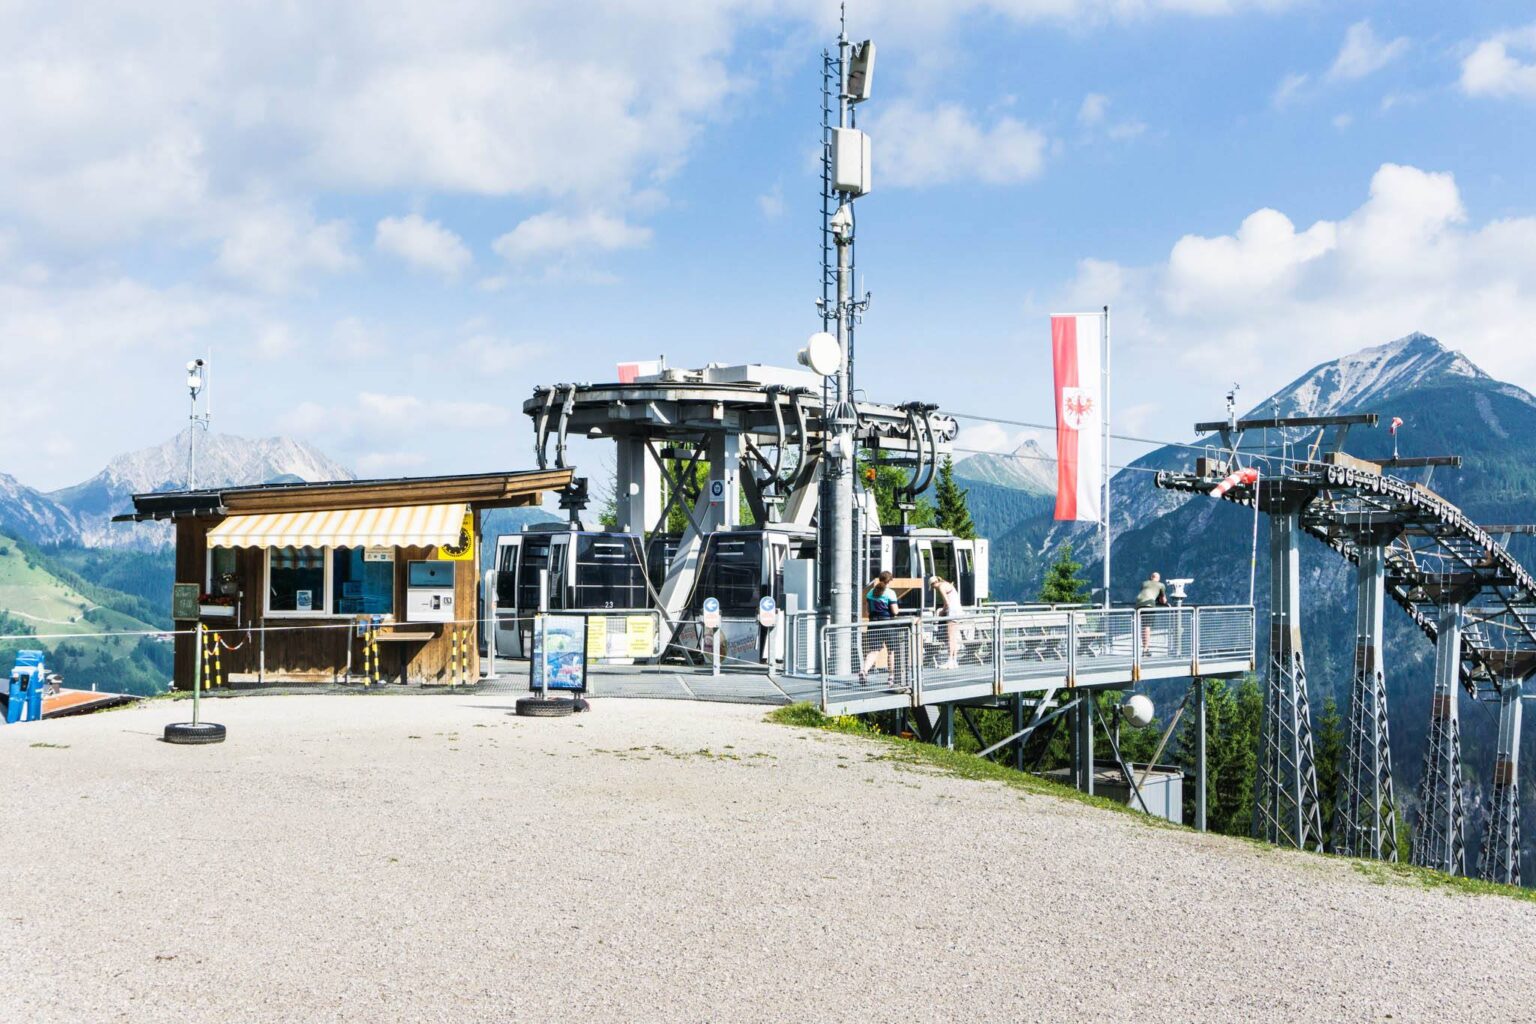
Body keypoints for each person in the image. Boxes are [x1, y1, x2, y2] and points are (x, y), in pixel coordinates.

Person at [860, 571, 904, 685]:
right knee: (891, 651)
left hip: (873, 624)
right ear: (890, 580)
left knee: (873, 651)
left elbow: (867, 611)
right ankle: (891, 677)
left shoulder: (870, 592)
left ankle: (864, 670)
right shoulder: (890, 593)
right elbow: (895, 611)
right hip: (887, 624)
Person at [929, 574, 961, 670]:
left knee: (950, 637)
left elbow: (947, 603)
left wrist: (942, 612)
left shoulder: (941, 587)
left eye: (932, 587)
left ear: (934, 583)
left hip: (952, 612)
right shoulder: (946, 584)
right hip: (958, 611)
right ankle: (954, 661)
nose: (934, 589)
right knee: (954, 637)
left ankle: (950, 661)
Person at [1136, 571, 1169, 654]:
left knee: (1143, 626)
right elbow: (1163, 600)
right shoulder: (1161, 585)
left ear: (1151, 577)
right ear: (1158, 578)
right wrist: (1163, 602)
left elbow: (1144, 593)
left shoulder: (1144, 583)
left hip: (1138, 604)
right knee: (1147, 627)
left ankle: (1144, 647)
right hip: (1148, 604)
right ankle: (1145, 649)